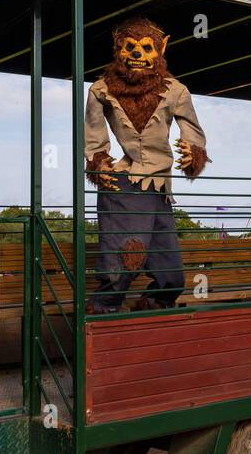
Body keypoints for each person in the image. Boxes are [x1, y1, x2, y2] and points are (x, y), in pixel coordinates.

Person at [84, 16, 209, 312]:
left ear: (161, 48)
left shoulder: (175, 90)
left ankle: (150, 310)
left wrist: (194, 153)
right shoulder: (101, 90)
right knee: (124, 263)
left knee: (172, 277)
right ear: (118, 48)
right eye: (130, 47)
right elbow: (93, 135)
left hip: (160, 187)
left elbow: (193, 132)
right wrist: (99, 161)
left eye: (145, 48)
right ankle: (101, 313)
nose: (137, 54)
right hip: (124, 183)